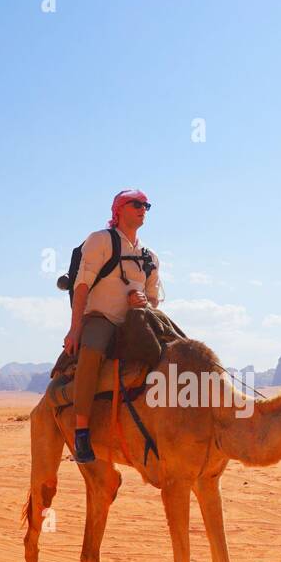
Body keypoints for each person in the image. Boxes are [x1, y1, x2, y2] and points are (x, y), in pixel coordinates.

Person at [63, 190, 161, 463]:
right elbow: (82, 286)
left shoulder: (150, 256)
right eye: (137, 204)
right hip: (102, 318)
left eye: (146, 205)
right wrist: (75, 328)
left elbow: (154, 299)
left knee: (172, 350)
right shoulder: (100, 241)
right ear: (119, 209)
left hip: (137, 320)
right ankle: (81, 432)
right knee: (92, 351)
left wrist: (145, 302)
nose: (143, 209)